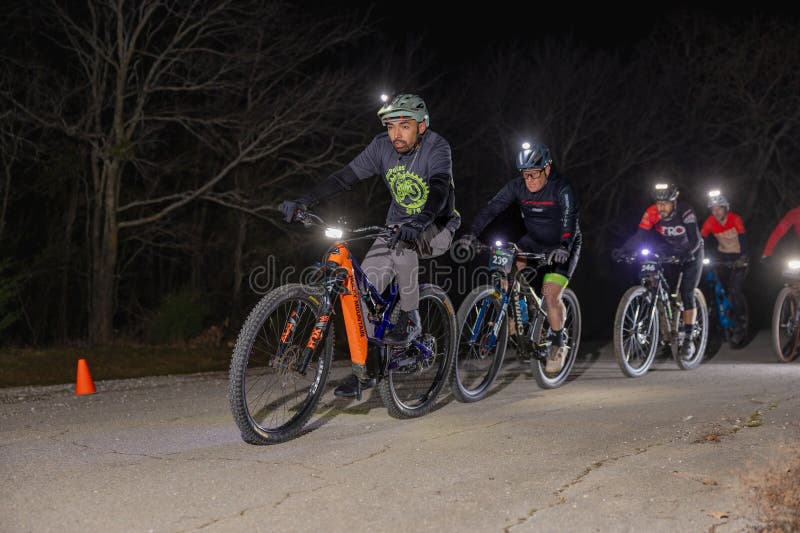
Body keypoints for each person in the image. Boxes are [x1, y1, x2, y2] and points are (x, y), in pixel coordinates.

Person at [280, 93, 460, 398]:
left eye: (404, 126)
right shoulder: (380, 147)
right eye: (391, 126)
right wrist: (305, 201)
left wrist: (420, 221)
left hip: (437, 226)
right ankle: (365, 370)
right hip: (394, 228)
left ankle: (411, 316)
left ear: (422, 126)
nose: (396, 134)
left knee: (407, 245)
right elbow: (344, 178)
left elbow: (440, 190)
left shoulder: (437, 147)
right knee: (357, 290)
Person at [462, 142, 581, 373]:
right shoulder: (517, 186)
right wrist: (472, 233)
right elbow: (491, 209)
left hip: (564, 243)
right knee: (507, 267)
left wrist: (564, 245)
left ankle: (557, 342)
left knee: (550, 293)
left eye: (535, 174)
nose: (530, 180)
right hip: (533, 240)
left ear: (546, 170)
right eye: (526, 175)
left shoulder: (561, 187)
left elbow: (570, 217)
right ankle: (518, 314)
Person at [617, 183, 704, 357]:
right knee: (651, 274)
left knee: (687, 293)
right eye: (658, 203)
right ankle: (658, 321)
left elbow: (694, 238)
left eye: (665, 203)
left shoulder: (685, 211)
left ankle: (688, 338)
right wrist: (624, 250)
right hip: (670, 249)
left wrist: (688, 254)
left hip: (692, 252)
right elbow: (639, 235)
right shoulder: (651, 212)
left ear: (674, 203)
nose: (661, 207)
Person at [700, 191, 748, 342]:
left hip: (739, 257)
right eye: (713, 209)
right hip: (723, 256)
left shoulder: (735, 219)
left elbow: (743, 239)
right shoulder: (710, 222)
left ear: (726, 208)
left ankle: (740, 324)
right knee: (711, 285)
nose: (716, 212)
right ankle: (713, 320)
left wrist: (743, 257)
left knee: (735, 290)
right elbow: (701, 240)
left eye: (719, 208)